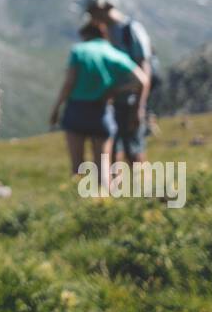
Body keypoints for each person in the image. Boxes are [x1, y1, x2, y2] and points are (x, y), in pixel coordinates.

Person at [50, 19, 150, 192]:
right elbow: (142, 80)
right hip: (101, 111)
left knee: (78, 166)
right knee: (103, 166)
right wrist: (116, 90)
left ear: (85, 35)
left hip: (76, 110)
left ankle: (81, 208)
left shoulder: (79, 51)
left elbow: (69, 82)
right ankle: (104, 208)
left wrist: (56, 108)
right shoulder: (114, 53)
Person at [83, 0, 152, 163]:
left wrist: (139, 107)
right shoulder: (106, 32)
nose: (92, 18)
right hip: (111, 103)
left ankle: (141, 188)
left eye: (93, 13)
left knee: (134, 151)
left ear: (102, 9)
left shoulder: (131, 29)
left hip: (131, 101)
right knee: (113, 151)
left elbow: (144, 69)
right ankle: (117, 189)